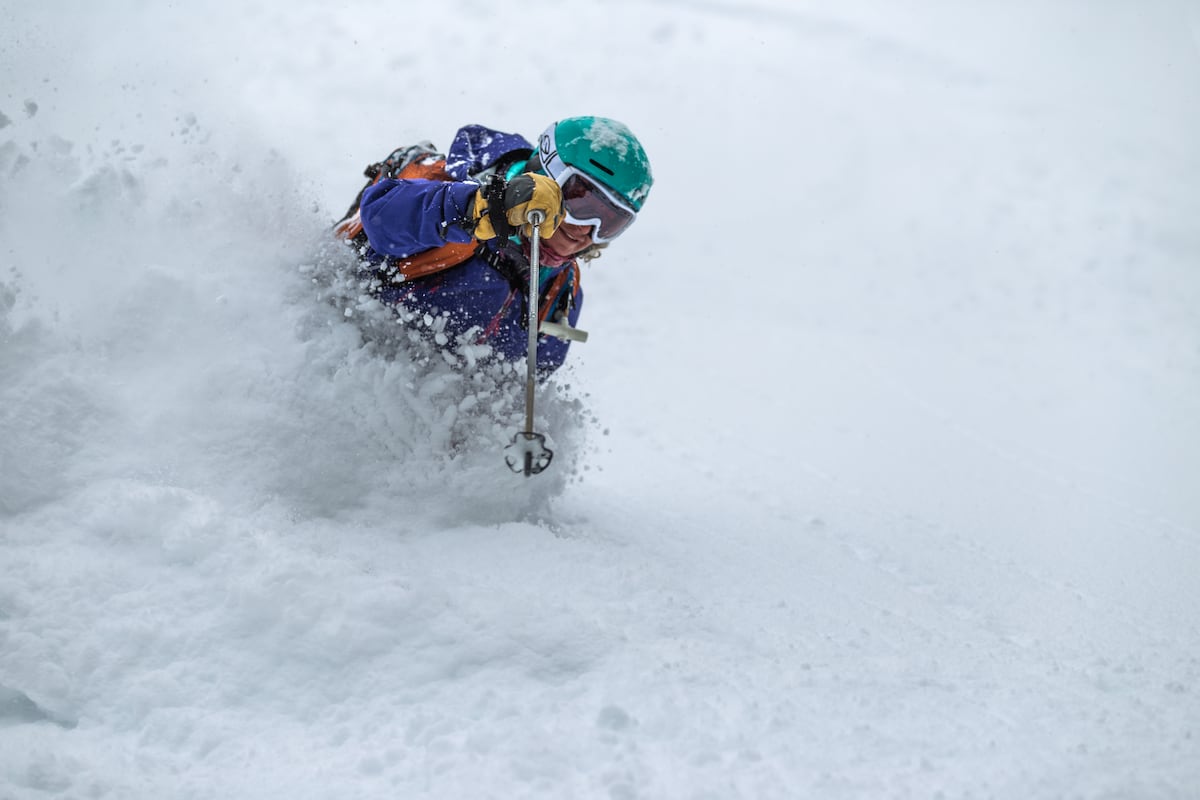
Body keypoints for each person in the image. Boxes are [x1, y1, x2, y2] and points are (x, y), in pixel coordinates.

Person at [332, 116, 653, 374]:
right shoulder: (452, 190)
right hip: (337, 345)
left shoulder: (560, 293)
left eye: (608, 222)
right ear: (547, 173)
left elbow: (523, 383)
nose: (584, 231)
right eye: (581, 202)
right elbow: (381, 218)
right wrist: (478, 208)